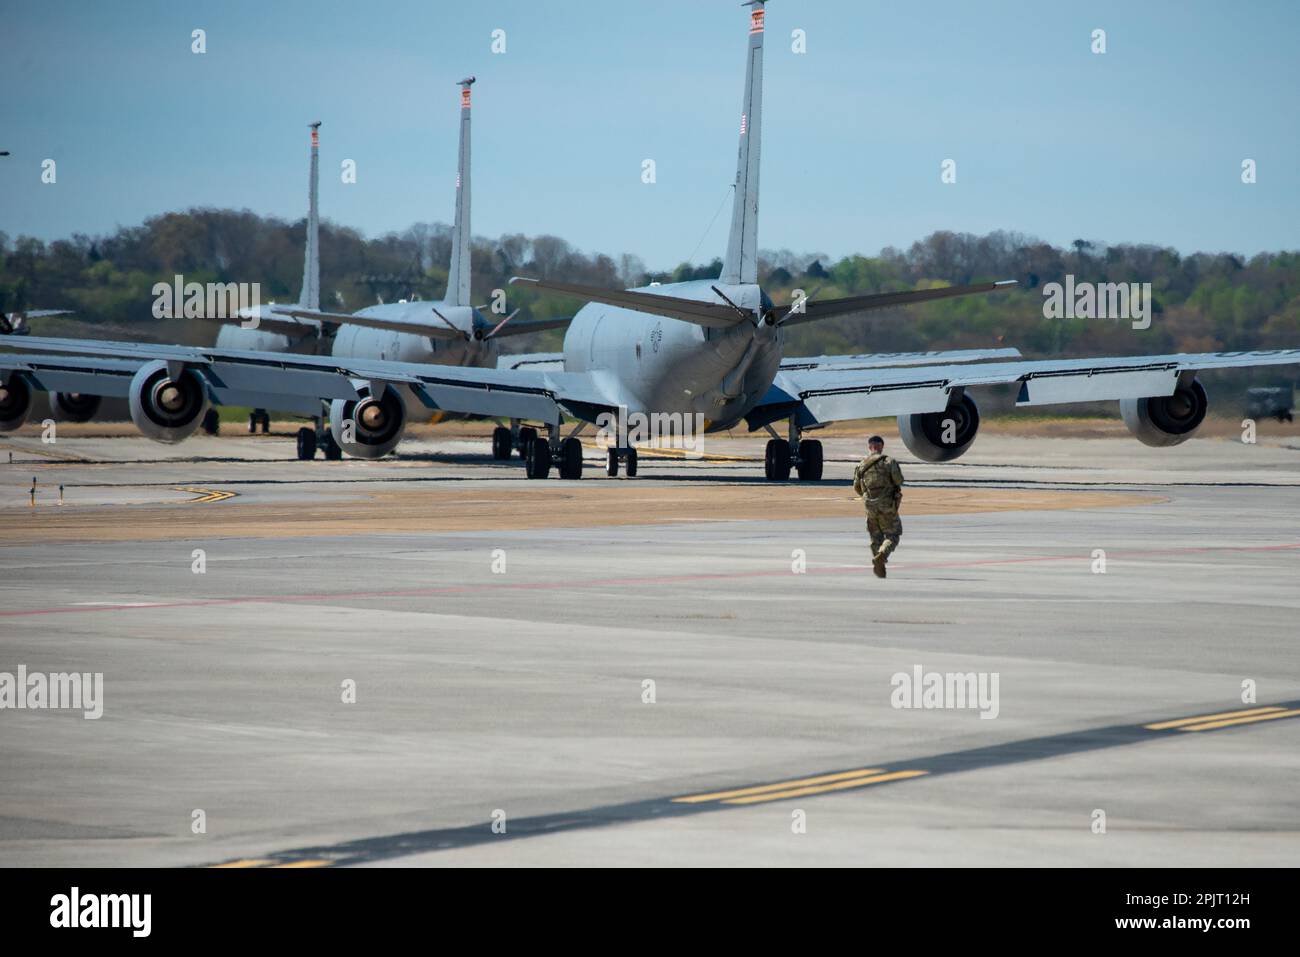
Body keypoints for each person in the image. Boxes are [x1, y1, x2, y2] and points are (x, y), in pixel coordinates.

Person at [852, 435, 904, 579]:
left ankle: (879, 564)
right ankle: (882, 555)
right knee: (893, 534)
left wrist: (868, 496)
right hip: (887, 505)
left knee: (875, 537)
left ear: (869, 447)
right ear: (881, 446)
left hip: (870, 505)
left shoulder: (861, 464)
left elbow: (856, 487)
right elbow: (899, 480)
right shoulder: (889, 462)